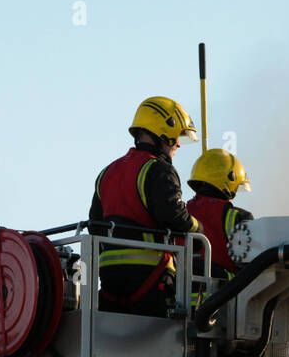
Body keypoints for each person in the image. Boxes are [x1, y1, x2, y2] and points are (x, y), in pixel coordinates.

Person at [89, 97, 203, 317]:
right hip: (152, 281)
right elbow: (174, 216)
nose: (178, 144)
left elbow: (95, 225)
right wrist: (198, 230)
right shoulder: (159, 170)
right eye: (176, 137)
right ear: (163, 131)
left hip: (110, 282)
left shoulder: (108, 172)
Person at [185, 149, 253, 290]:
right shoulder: (238, 217)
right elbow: (253, 264)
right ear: (229, 181)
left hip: (178, 297)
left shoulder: (180, 213)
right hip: (224, 301)